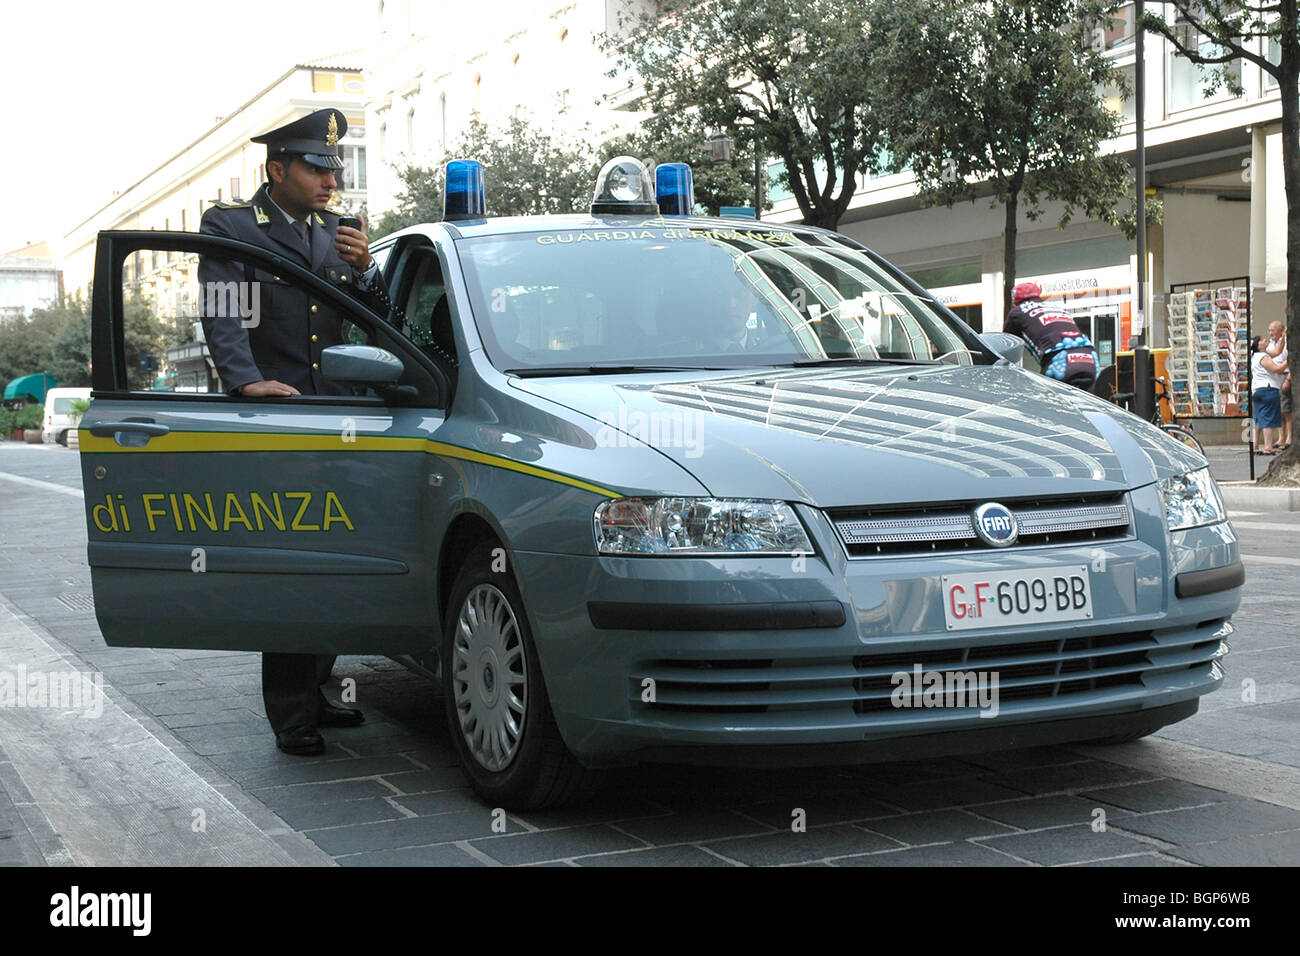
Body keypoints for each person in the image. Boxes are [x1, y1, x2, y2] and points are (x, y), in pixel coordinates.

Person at [198, 108, 384, 755]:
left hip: (336, 424)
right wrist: (243, 380)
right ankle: (291, 715)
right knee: (293, 567)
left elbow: (374, 321)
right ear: (276, 169)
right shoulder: (231, 226)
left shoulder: (338, 234)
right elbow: (223, 311)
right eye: (316, 167)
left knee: (337, 566)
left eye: (334, 167)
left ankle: (320, 687)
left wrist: (365, 272)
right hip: (276, 423)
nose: (331, 179)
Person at [1002, 281, 1099, 390]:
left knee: (1044, 403)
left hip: (1059, 362)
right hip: (1090, 359)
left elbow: (1006, 345)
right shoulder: (1055, 307)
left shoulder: (1017, 312)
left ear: (1015, 300)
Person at [1251, 334, 1288, 455]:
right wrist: (1289, 360)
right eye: (1261, 340)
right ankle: (1268, 446)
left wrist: (1282, 339)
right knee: (1268, 419)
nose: (1265, 340)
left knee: (1258, 418)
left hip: (1257, 389)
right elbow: (1276, 369)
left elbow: (1277, 351)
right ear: (1258, 345)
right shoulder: (1263, 356)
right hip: (1268, 388)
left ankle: (1255, 444)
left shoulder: (1255, 356)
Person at [1267, 321, 1290, 449]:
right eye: (1269, 330)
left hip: (1284, 375)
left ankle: (1289, 437)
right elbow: (1274, 354)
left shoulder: (1286, 343)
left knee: (1286, 409)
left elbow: (1290, 360)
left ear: (1281, 331)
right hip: (1274, 378)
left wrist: (1288, 379)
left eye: (1273, 330)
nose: (1271, 333)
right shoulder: (1272, 344)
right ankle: (1281, 437)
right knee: (1278, 410)